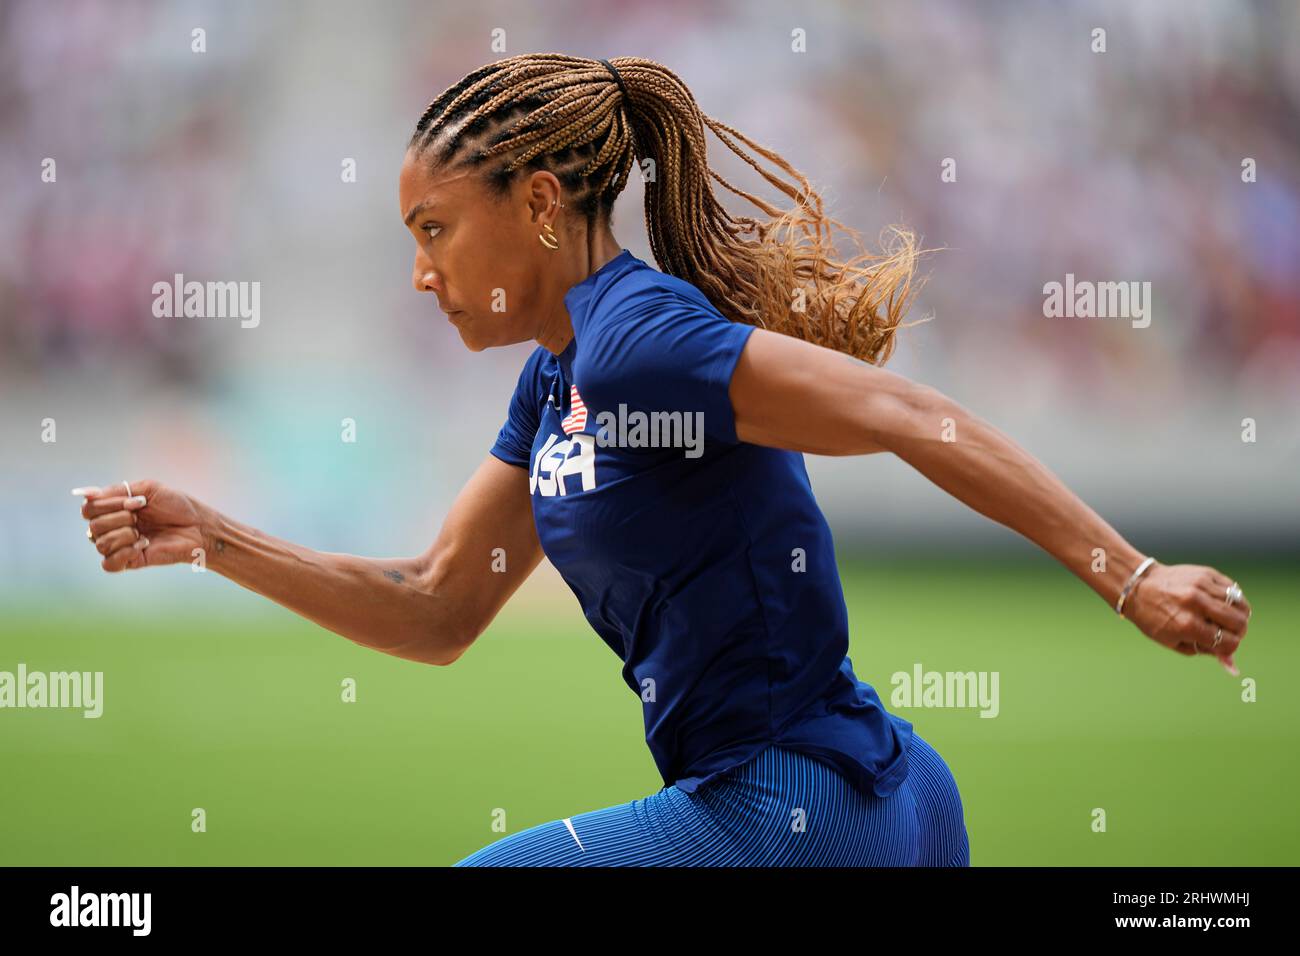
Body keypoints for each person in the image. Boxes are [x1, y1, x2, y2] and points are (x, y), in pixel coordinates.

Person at [74, 55, 1251, 867]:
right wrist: (215, 538)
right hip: (862, 803)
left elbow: (905, 411)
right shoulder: (559, 375)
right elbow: (435, 606)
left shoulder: (643, 340)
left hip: (799, 805)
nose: (421, 273)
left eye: (433, 230)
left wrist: (1128, 573)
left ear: (538, 204)